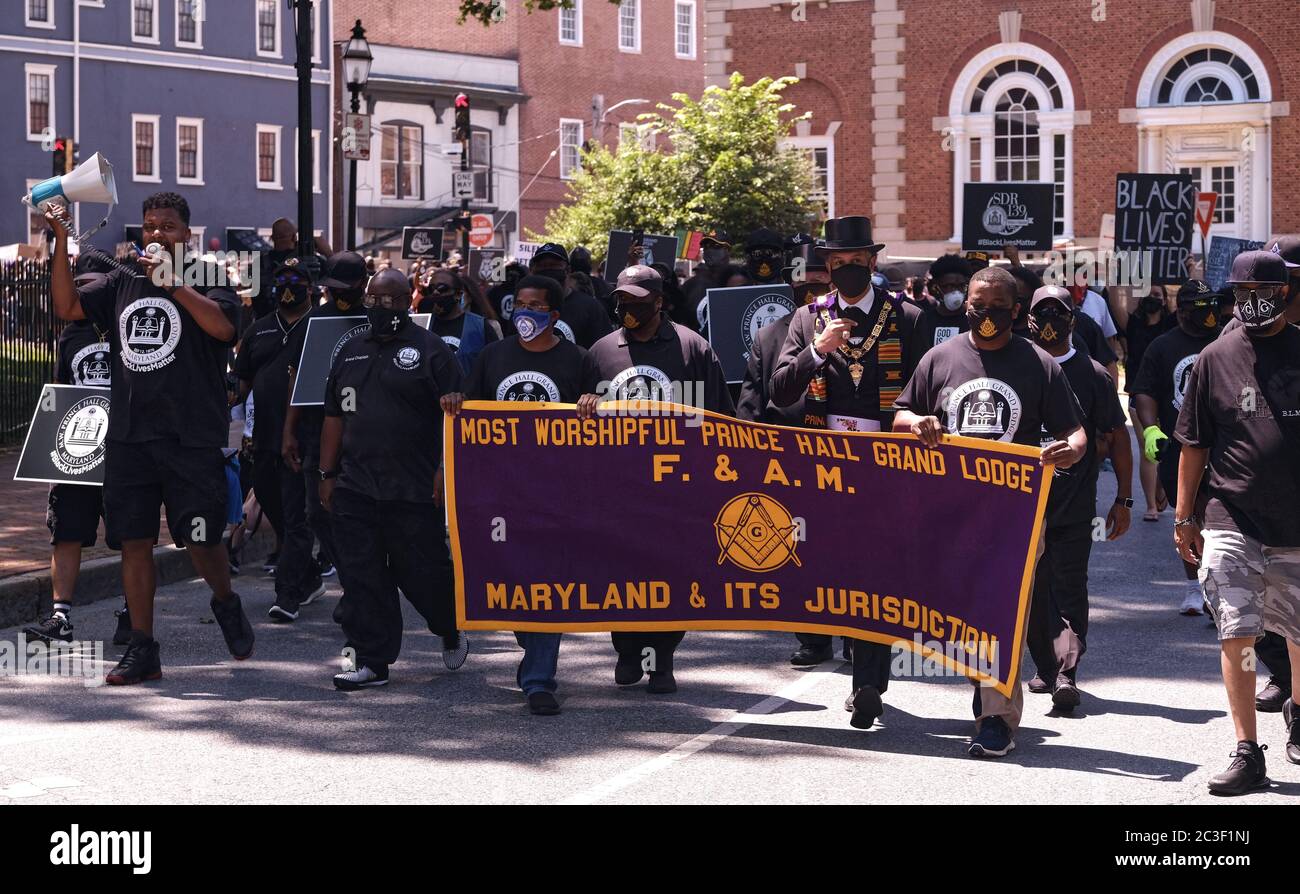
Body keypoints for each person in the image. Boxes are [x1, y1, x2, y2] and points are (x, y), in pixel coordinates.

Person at [47, 192, 254, 685]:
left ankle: (225, 600)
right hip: (130, 436)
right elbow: (67, 306)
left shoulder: (209, 276)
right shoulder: (123, 279)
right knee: (134, 541)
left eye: (168, 227)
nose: (157, 234)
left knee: (201, 540)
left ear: (187, 234)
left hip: (190, 435)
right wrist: (59, 239)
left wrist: (175, 285)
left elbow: (224, 328)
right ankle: (143, 649)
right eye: (149, 226)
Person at [894, 267, 1087, 757]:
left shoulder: (1041, 365)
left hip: (1015, 515)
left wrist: (1068, 450)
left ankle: (996, 717)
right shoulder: (940, 358)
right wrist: (918, 423)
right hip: (947, 512)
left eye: (998, 308)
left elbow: (1077, 434)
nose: (986, 315)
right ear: (966, 306)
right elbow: (900, 416)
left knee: (1002, 609)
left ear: (1016, 311)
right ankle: (976, 687)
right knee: (959, 610)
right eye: (978, 306)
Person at [769, 216, 926, 724]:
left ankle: (867, 684)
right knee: (836, 569)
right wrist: (819, 351)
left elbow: (929, 390)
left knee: (874, 572)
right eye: (839, 264)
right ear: (828, 268)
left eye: (857, 262)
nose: (848, 270)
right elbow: (780, 391)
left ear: (873, 263)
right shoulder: (806, 320)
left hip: (888, 464)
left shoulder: (908, 318)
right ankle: (856, 661)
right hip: (825, 466)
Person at [441, 274, 602, 715]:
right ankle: (528, 639)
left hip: (556, 494)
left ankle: (538, 680)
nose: (524, 313)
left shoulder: (579, 359)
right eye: (520, 305)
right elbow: (468, 410)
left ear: (553, 315)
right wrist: (456, 401)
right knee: (512, 581)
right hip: (502, 492)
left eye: (535, 306)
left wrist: (591, 404)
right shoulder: (493, 356)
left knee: (547, 583)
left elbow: (600, 424)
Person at [1172, 250, 1300, 794]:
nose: (1251, 303)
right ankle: (1248, 748)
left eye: (1261, 292)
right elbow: (1194, 445)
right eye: (1242, 295)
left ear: (1285, 291)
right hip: (1231, 518)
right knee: (1238, 631)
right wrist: (1183, 517)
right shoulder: (1214, 358)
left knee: (1297, 632)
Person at [581, 265, 735, 693]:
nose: (626, 308)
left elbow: (722, 417)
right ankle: (628, 649)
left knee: (672, 575)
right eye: (621, 301)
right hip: (617, 490)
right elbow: (574, 424)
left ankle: (662, 659)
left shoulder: (692, 349)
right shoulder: (601, 351)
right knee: (621, 574)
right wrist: (587, 402)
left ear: (660, 302)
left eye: (636, 301)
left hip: (677, 488)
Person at [320, 269, 466, 690]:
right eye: (373, 300)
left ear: (407, 301)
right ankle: (371, 660)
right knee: (362, 575)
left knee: (423, 575)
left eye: (389, 301)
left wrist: (443, 470)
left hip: (414, 487)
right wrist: (327, 473)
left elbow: (453, 419)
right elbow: (333, 416)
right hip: (355, 485)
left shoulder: (432, 350)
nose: (380, 308)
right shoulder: (349, 350)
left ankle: (449, 626)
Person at [1023, 286, 1133, 710]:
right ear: (1027, 317)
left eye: (1059, 311)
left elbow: (1117, 436)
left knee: (1069, 586)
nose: (1050, 319)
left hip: (1073, 504)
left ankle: (1066, 672)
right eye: (1041, 311)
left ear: (1074, 319)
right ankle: (1046, 665)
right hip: (1021, 505)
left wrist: (1124, 499)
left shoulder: (1093, 374)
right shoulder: (1017, 366)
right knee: (1032, 590)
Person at [23, 256, 130, 647]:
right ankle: (60, 617)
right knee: (66, 530)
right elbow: (61, 388)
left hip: (123, 447)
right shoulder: (71, 334)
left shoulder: (129, 328)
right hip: (78, 446)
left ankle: (132, 611)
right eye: (79, 284)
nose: (84, 293)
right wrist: (51, 452)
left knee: (130, 535)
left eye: (92, 286)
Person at [235, 259, 324, 621]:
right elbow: (241, 383)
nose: (288, 285)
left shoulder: (320, 327)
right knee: (279, 514)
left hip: (305, 441)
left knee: (297, 516)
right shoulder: (258, 330)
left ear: (311, 286)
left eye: (296, 279)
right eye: (281, 279)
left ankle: (287, 594)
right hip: (262, 441)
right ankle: (311, 576)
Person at [282, 251, 370, 604]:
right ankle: (354, 579)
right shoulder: (313, 320)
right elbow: (296, 378)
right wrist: (289, 430)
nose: (338, 294)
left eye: (345, 287)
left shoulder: (377, 318)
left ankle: (363, 584)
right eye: (331, 288)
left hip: (367, 433)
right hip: (318, 431)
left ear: (362, 284)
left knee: (361, 511)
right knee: (317, 511)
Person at [1131, 279, 1222, 616]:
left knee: (1218, 519)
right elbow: (1145, 391)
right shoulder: (1162, 346)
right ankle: (1193, 586)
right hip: (1179, 446)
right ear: (1182, 311)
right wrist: (1151, 428)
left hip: (1225, 447)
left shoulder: (1227, 339)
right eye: (1200, 307)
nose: (1209, 313)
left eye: (1211, 304)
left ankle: (1219, 591)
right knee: (1189, 517)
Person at [1122, 286, 1176, 522]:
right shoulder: (1133, 325)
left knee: (1166, 446)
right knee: (1148, 450)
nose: (1152, 298)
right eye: (1149, 293)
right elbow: (1116, 301)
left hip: (1167, 397)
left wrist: (1185, 270)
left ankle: (1161, 487)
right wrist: (1118, 269)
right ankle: (1151, 505)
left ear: (1165, 301)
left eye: (1158, 295)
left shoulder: (1171, 325)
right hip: (1139, 394)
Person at [527, 242, 613, 349]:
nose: (548, 269)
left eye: (554, 265)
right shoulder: (525, 307)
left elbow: (604, 351)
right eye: (542, 266)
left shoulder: (591, 308)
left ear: (568, 270)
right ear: (533, 271)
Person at [422, 266, 500, 375]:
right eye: (431, 289)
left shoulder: (480, 326)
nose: (435, 293)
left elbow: (496, 365)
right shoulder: (422, 324)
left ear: (458, 294)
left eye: (442, 288)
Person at [917, 254, 972, 353]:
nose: (956, 291)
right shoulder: (925, 321)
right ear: (936, 287)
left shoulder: (973, 320)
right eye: (949, 286)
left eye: (961, 286)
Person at [681, 229, 733, 327]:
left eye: (715, 246)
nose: (709, 251)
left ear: (728, 250)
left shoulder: (740, 281)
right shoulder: (691, 285)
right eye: (706, 247)